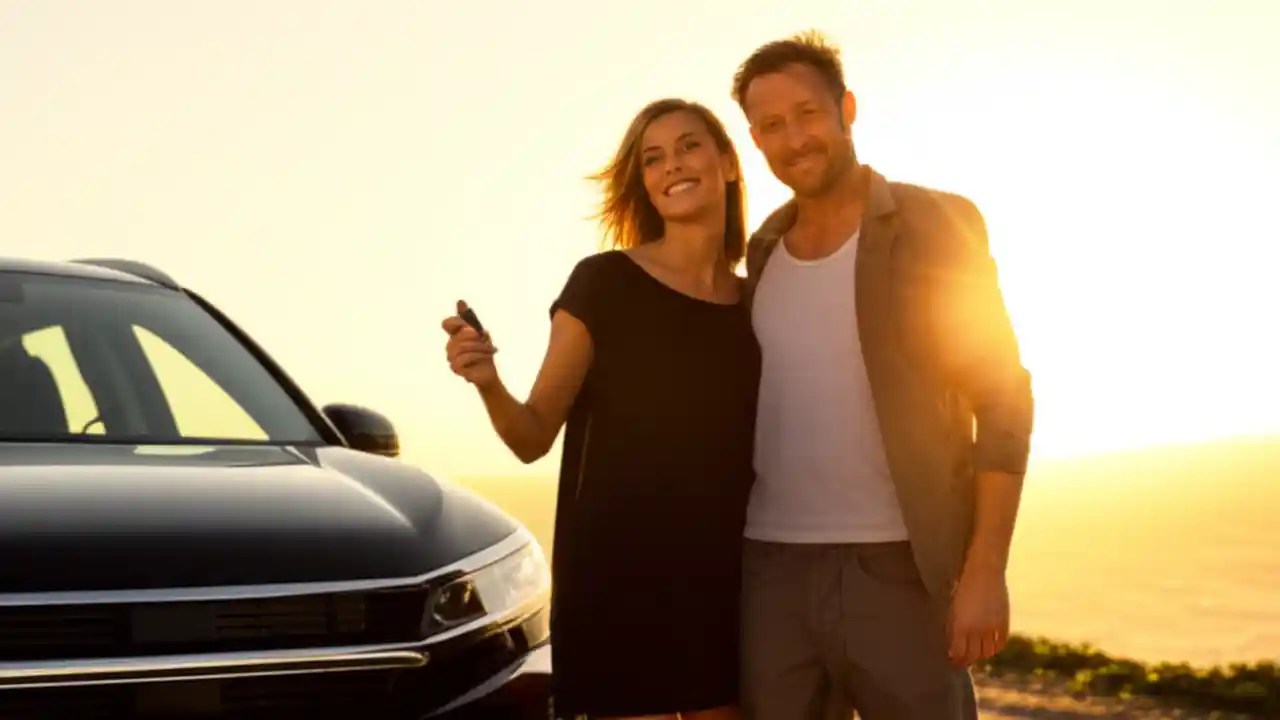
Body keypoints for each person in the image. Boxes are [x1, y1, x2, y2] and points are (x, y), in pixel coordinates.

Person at [729, 32, 1035, 719]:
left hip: (900, 570)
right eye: (772, 125)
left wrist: (985, 570)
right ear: (754, 138)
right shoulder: (764, 248)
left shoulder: (935, 222)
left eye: (808, 114)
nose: (795, 138)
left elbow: (1004, 398)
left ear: (848, 109)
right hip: (772, 572)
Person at [442, 98, 760, 720]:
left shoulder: (760, 302)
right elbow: (531, 436)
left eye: (690, 146)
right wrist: (487, 381)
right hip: (620, 591)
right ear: (643, 183)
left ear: (726, 160)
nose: (673, 166)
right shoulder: (603, 283)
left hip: (730, 590)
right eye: (653, 158)